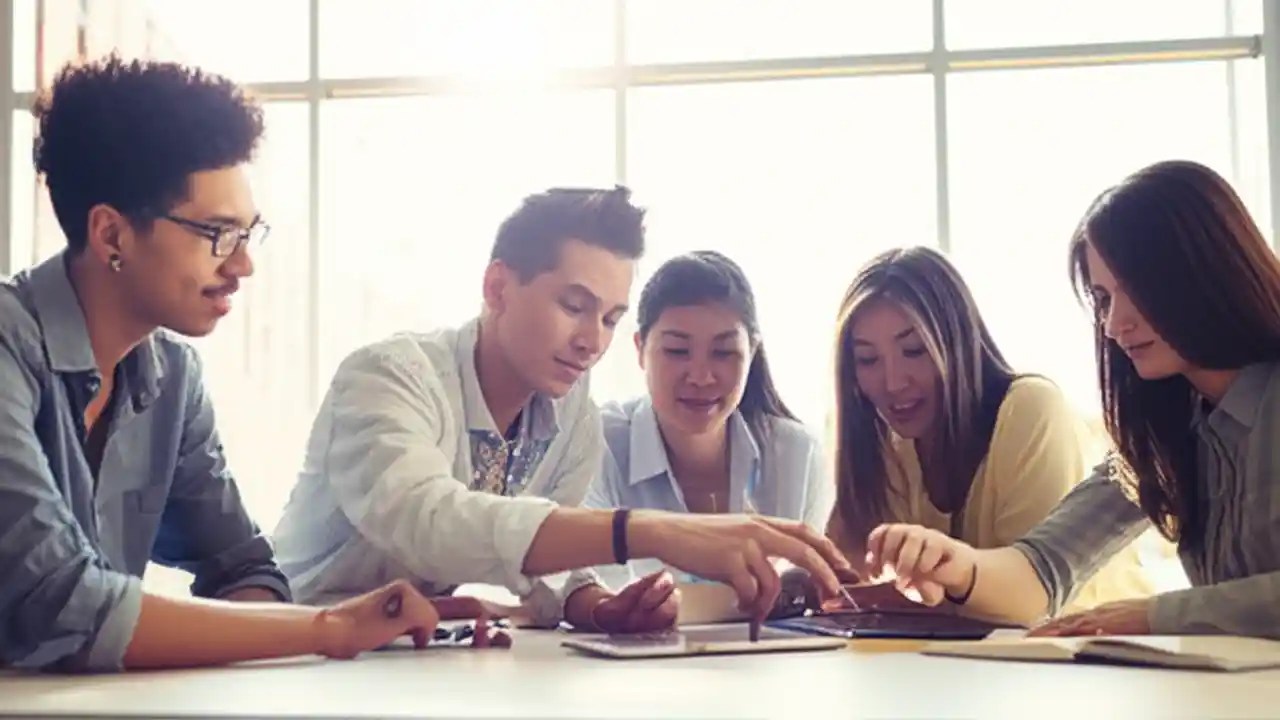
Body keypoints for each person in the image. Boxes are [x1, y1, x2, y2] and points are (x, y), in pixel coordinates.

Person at [0, 56, 455, 673]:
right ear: (111, 236)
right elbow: (61, 605)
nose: (242, 266)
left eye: (248, 234)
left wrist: (361, 624)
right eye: (216, 234)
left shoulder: (172, 379)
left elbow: (243, 568)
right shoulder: (7, 346)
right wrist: (329, 627)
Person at [272, 189, 850, 635]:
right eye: (575, 306)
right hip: (290, 646)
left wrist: (601, 607)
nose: (591, 341)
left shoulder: (571, 414)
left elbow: (557, 562)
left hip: (402, 650)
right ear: (497, 287)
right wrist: (655, 531)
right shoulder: (390, 375)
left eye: (610, 318)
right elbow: (427, 519)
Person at [866, 160, 1280, 639]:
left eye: (1136, 291)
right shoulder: (1162, 435)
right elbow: (1043, 566)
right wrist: (957, 566)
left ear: (1207, 272)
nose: (1114, 323)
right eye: (1103, 298)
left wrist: (1154, 615)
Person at [828, 246, 1148, 613]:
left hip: (1088, 653)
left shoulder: (1029, 408)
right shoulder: (886, 442)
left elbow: (1031, 603)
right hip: (973, 663)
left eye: (915, 350)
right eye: (867, 359)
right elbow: (840, 580)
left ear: (959, 343)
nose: (893, 382)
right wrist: (798, 582)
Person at [571, 251, 833, 628]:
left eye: (724, 352)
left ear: (752, 351)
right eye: (677, 351)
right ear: (640, 349)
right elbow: (578, 585)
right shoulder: (596, 440)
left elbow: (806, 590)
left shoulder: (797, 454)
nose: (701, 376)